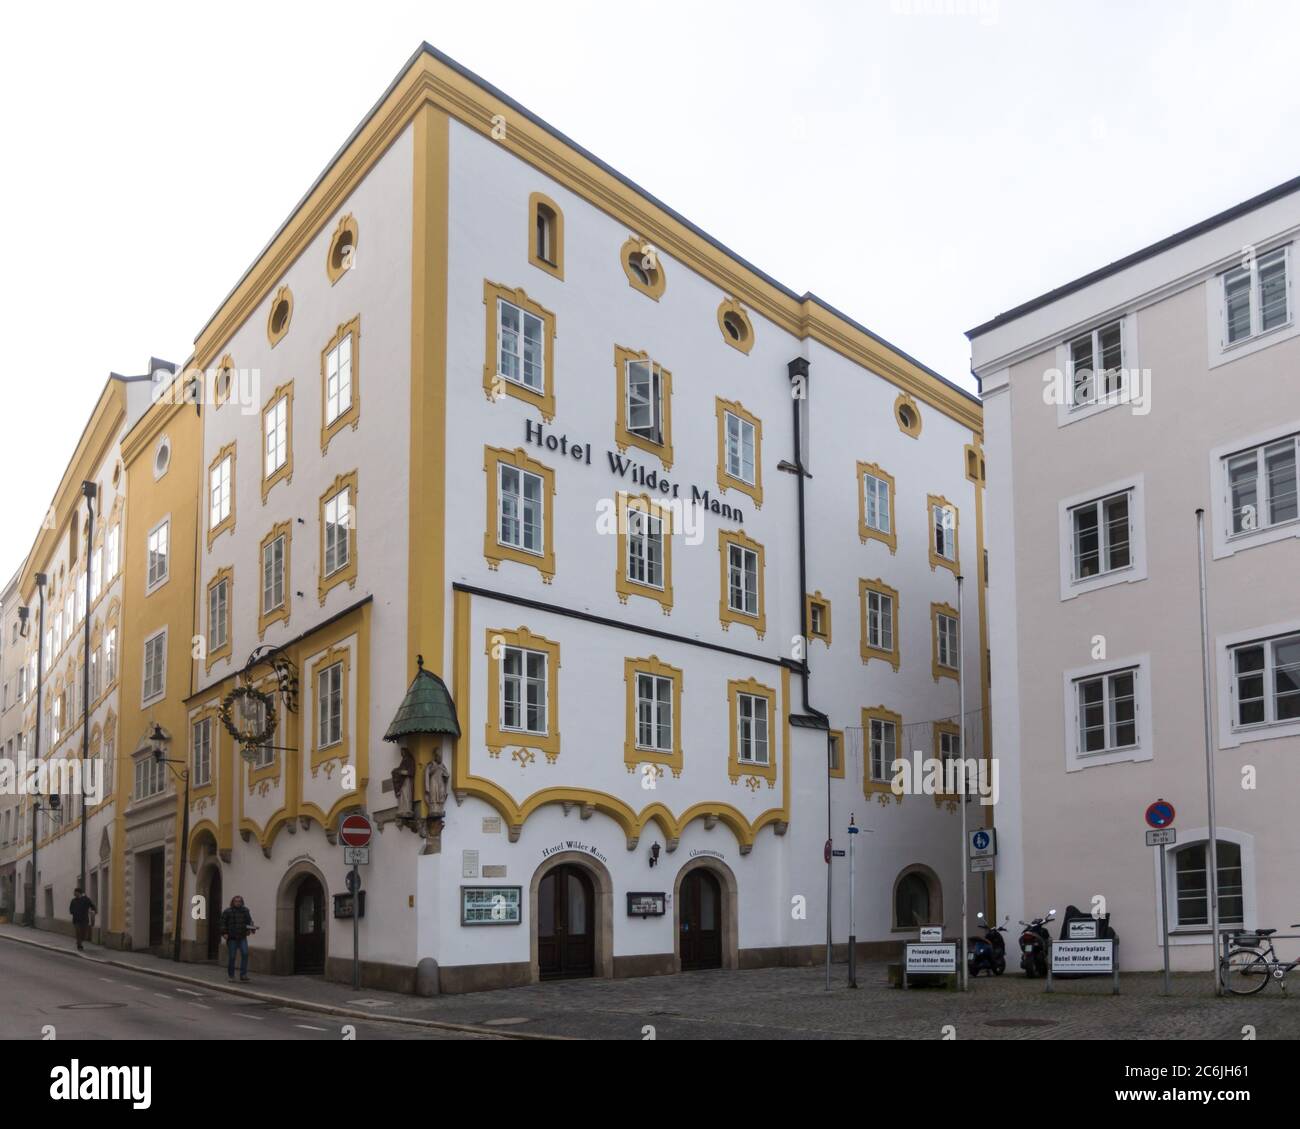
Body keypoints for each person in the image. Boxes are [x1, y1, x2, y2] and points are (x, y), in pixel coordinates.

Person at [219, 894, 257, 982]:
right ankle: (231, 975)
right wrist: (224, 933)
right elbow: (222, 923)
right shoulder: (227, 911)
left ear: (242, 902)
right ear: (233, 902)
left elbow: (249, 922)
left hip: (242, 936)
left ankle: (243, 974)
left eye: (239, 901)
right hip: (232, 937)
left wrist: (252, 929)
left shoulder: (245, 911)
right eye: (236, 901)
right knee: (232, 957)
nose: (238, 903)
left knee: (245, 953)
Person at [69, 887, 96, 951]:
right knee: (78, 932)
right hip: (76, 920)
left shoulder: (86, 899)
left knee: (84, 934)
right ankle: (79, 945)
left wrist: (94, 911)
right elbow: (70, 909)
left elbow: (92, 906)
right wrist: (74, 912)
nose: (74, 893)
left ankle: (80, 941)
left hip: (84, 919)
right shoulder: (73, 900)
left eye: (75, 892)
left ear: (78, 893)